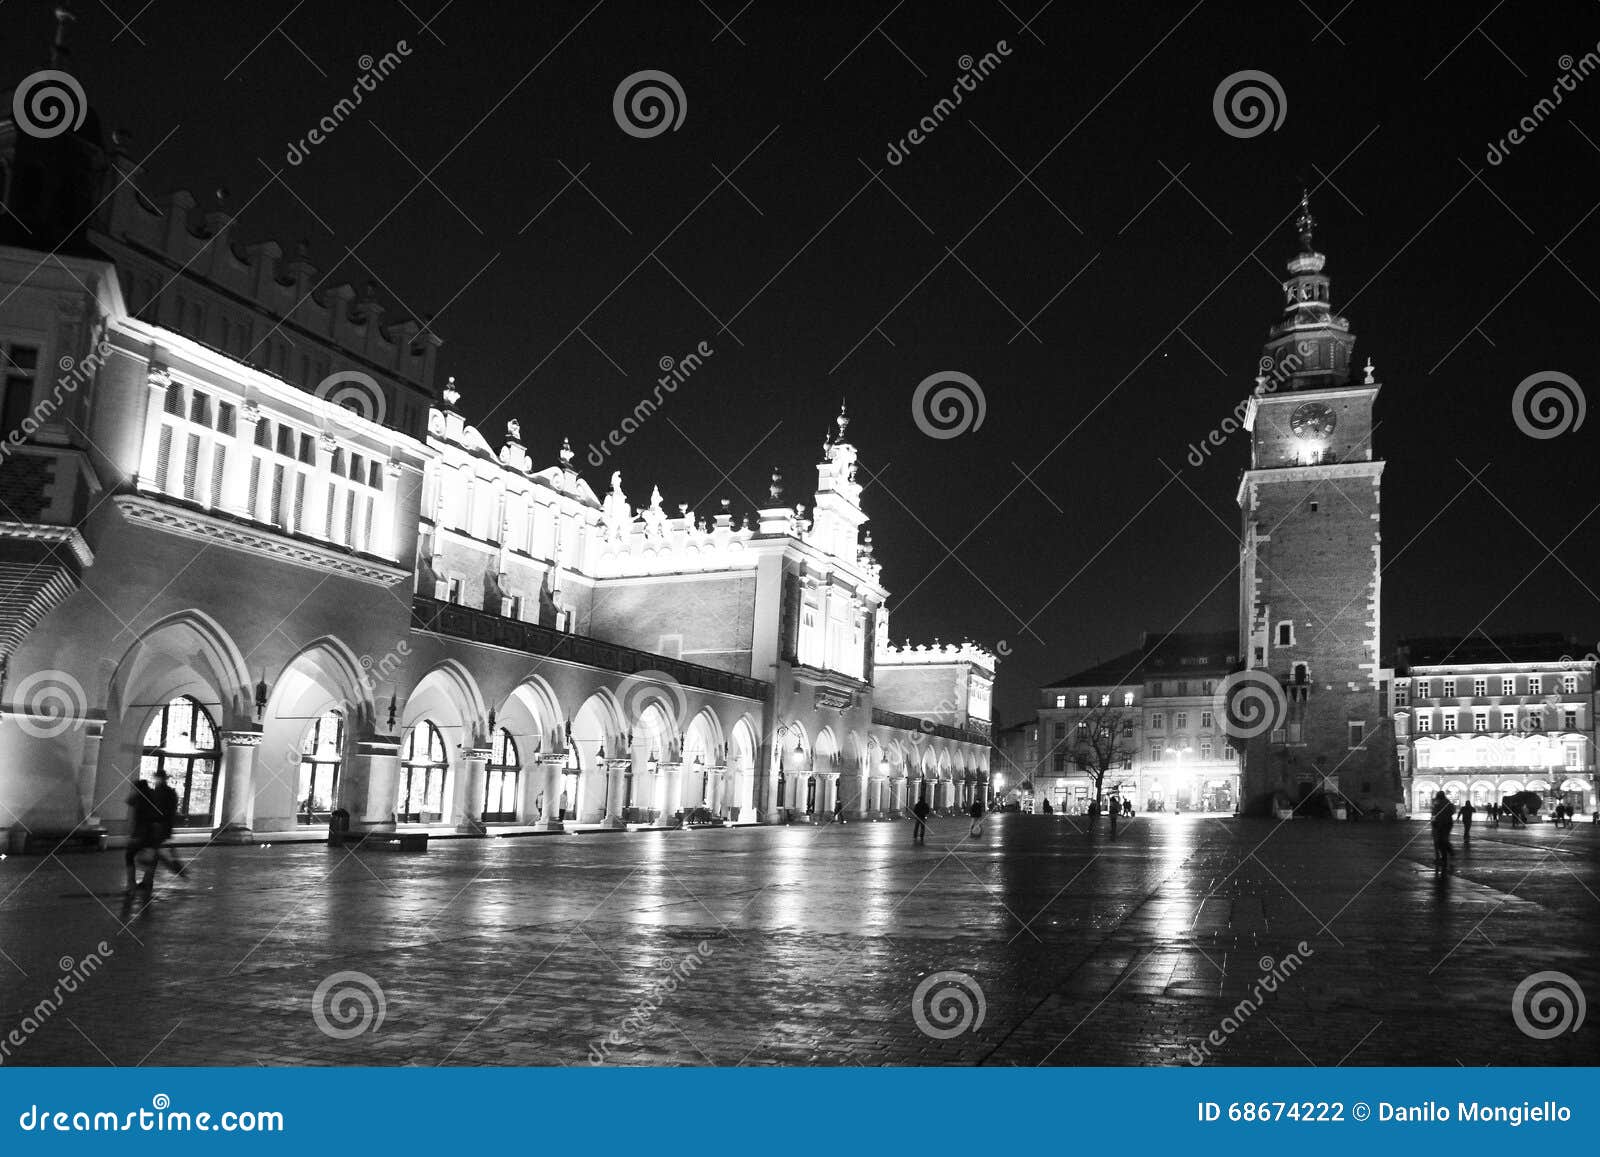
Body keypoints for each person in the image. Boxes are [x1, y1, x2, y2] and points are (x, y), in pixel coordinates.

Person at [124, 777, 163, 895]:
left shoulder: (138, 798)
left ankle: (131, 884)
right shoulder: (153, 797)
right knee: (153, 859)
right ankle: (147, 882)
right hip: (151, 835)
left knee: (129, 856)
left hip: (139, 834)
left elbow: (128, 802)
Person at [148, 769, 186, 877]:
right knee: (156, 849)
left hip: (159, 825)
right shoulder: (169, 792)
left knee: (154, 850)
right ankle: (175, 866)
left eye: (157, 778)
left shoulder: (159, 792)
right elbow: (172, 809)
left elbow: (158, 809)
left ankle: (174, 867)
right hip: (165, 824)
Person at [1430, 790, 1456, 870]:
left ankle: (1445, 857)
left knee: (1440, 841)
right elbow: (1453, 811)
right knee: (1444, 840)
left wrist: (1434, 821)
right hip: (1448, 823)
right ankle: (1448, 852)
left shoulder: (1436, 803)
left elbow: (1433, 813)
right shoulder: (1448, 803)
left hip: (1440, 824)